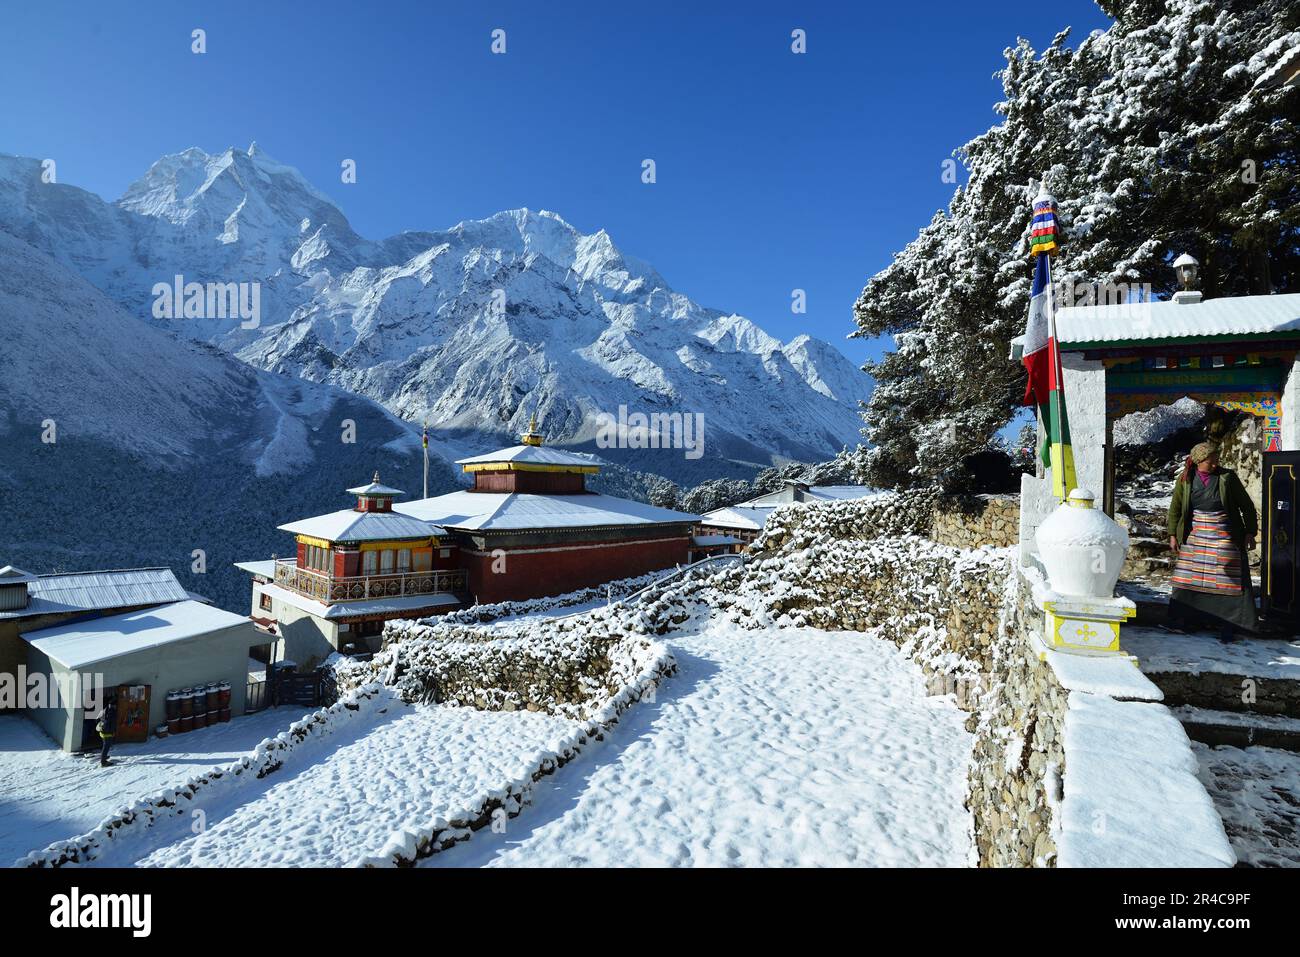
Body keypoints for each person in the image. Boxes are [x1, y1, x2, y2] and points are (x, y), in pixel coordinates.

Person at [1167, 441, 1258, 642]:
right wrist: (1173, 533)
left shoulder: (1227, 478)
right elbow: (1175, 508)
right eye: (1211, 461)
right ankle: (1183, 620)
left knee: (1228, 578)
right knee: (1187, 578)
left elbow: (1247, 506)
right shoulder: (1185, 479)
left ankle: (1230, 624)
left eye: (1216, 459)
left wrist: (1250, 532)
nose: (1216, 464)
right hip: (1196, 534)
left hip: (1224, 534)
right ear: (1199, 462)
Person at [96, 695, 118, 767]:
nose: (116, 706)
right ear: (114, 705)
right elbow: (112, 724)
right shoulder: (112, 712)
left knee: (105, 746)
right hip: (107, 733)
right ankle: (103, 762)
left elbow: (97, 719)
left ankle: (104, 757)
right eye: (116, 705)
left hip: (102, 731)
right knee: (106, 747)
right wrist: (113, 732)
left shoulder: (105, 709)